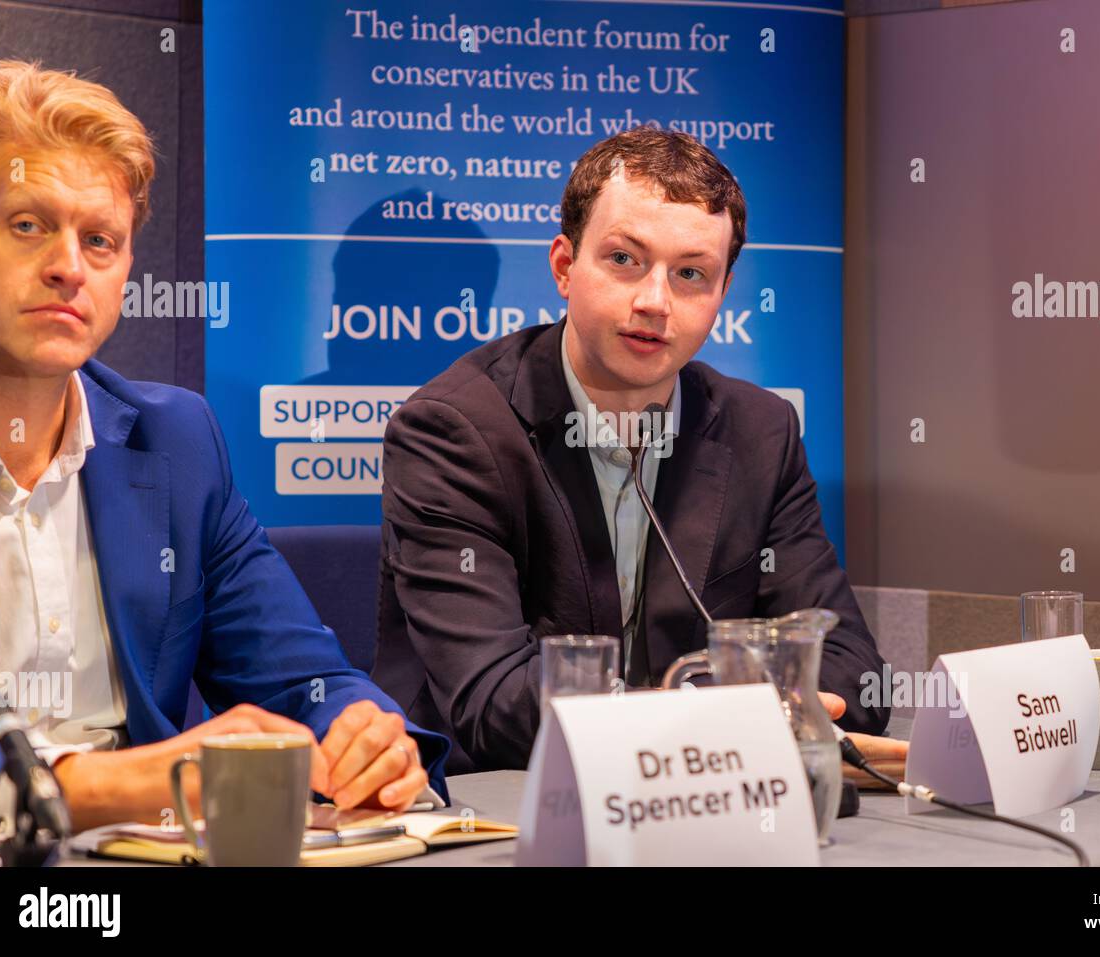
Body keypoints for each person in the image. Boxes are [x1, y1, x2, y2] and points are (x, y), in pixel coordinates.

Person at [0, 60, 448, 849]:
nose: (68, 265)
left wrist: (364, 736)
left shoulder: (177, 442)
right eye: (28, 224)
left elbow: (302, 679)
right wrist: (89, 785)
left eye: (101, 240)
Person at [375, 126, 909, 778]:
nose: (655, 301)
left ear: (721, 294)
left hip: (702, 808)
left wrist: (706, 730)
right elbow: (494, 705)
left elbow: (851, 670)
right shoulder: (454, 431)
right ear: (565, 266)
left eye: (690, 274)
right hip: (503, 812)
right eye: (625, 260)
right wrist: (730, 721)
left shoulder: (760, 433)